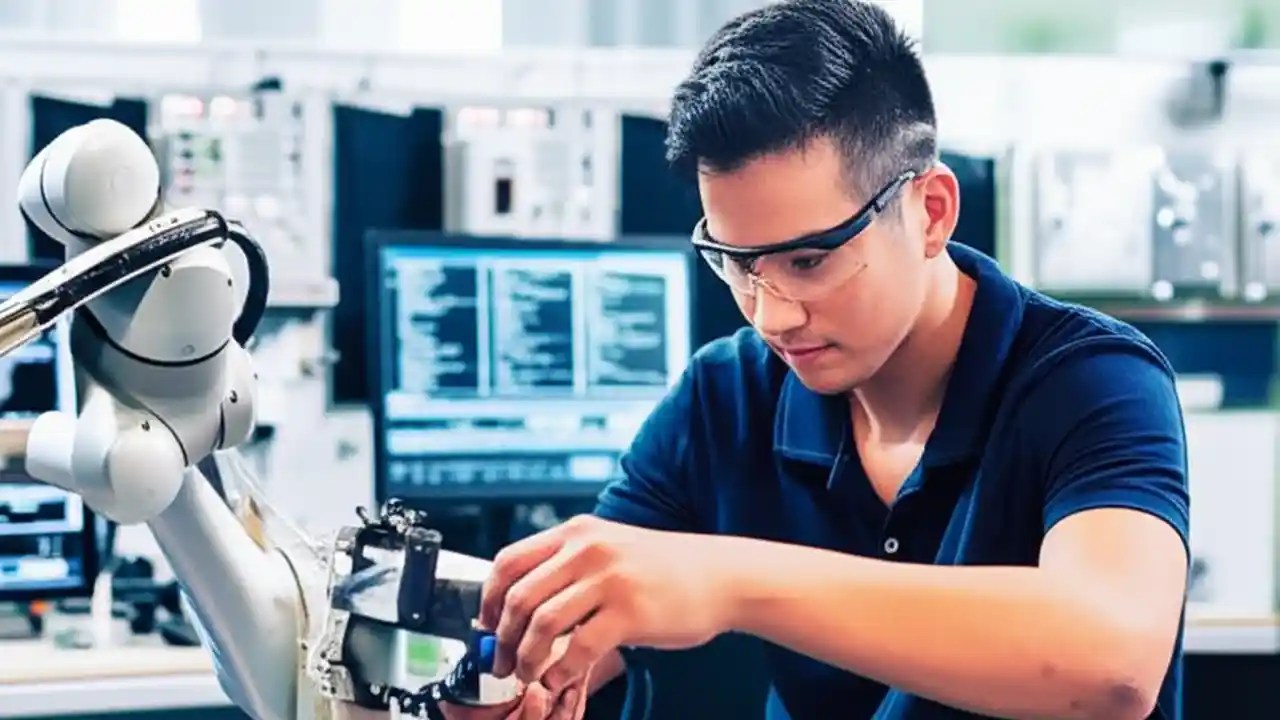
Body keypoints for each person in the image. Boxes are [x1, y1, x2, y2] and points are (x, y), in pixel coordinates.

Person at [453, 1, 1191, 718]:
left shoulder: (1093, 381)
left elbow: (1113, 664)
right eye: (736, 263)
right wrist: (513, 682)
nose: (771, 314)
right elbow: (570, 629)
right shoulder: (726, 395)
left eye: (810, 260)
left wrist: (731, 581)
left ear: (930, 211)